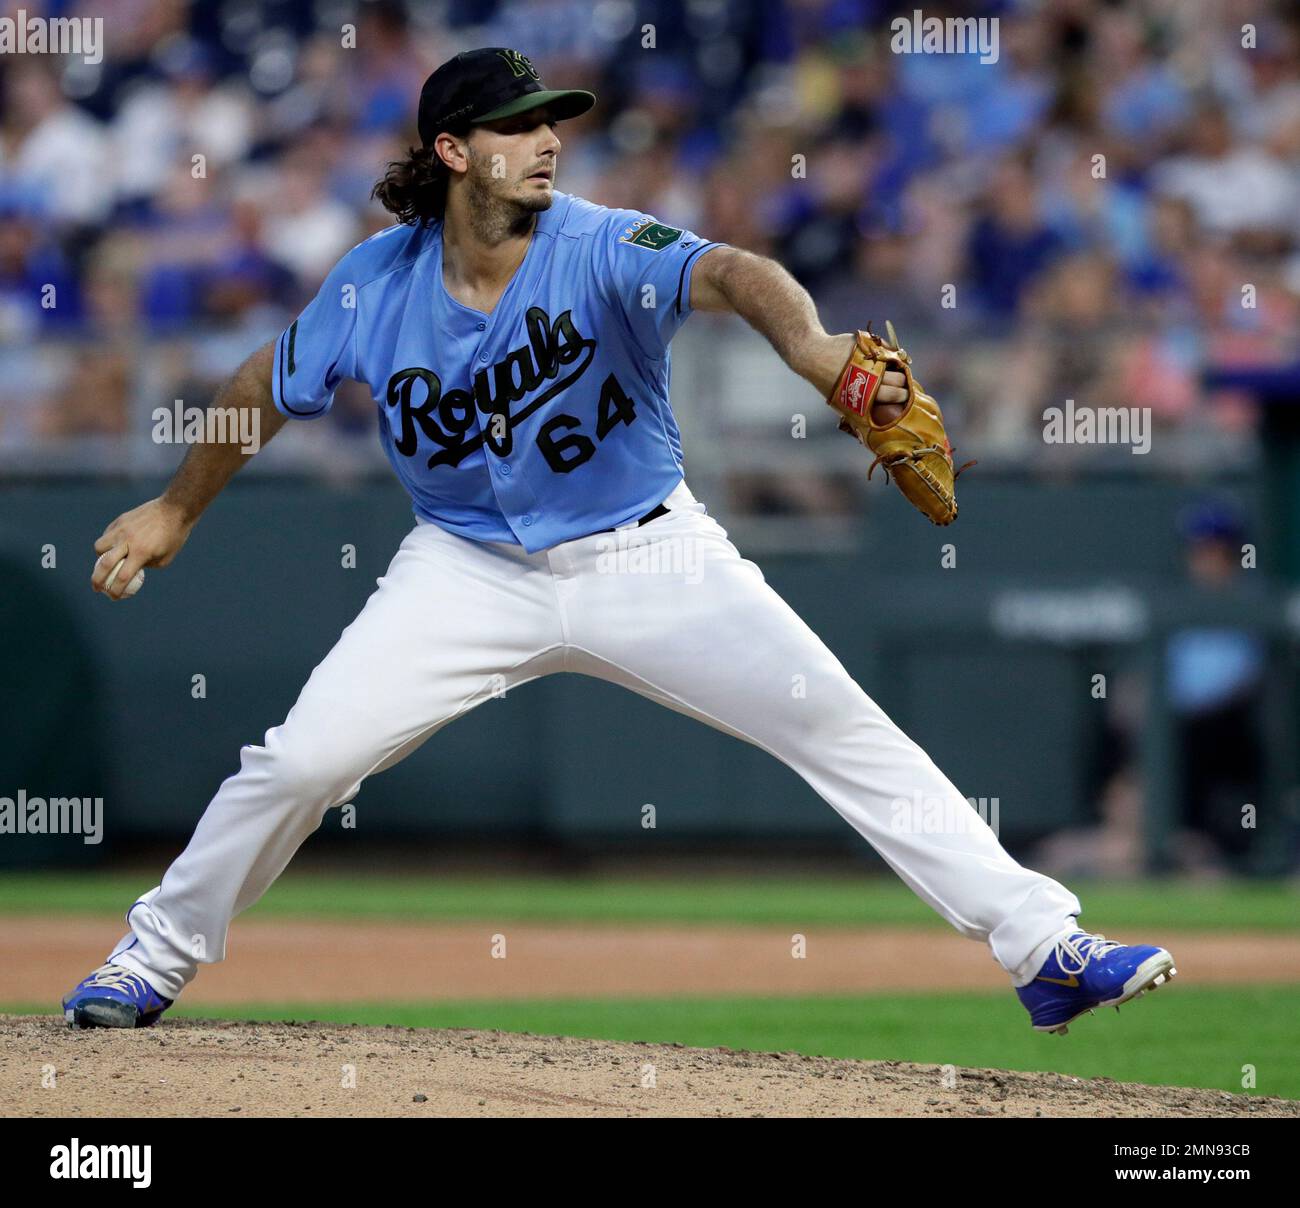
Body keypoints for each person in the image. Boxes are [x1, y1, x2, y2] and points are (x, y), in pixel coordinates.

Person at [64, 48, 1174, 1037]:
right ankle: (150, 955)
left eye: (552, 119)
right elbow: (265, 377)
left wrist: (816, 343)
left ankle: (1045, 948)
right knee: (298, 761)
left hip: (649, 553)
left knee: (843, 726)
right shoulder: (373, 283)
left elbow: (733, 270)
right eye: (515, 123)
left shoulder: (599, 243)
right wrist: (175, 507)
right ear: (452, 150)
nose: (546, 138)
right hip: (464, 568)